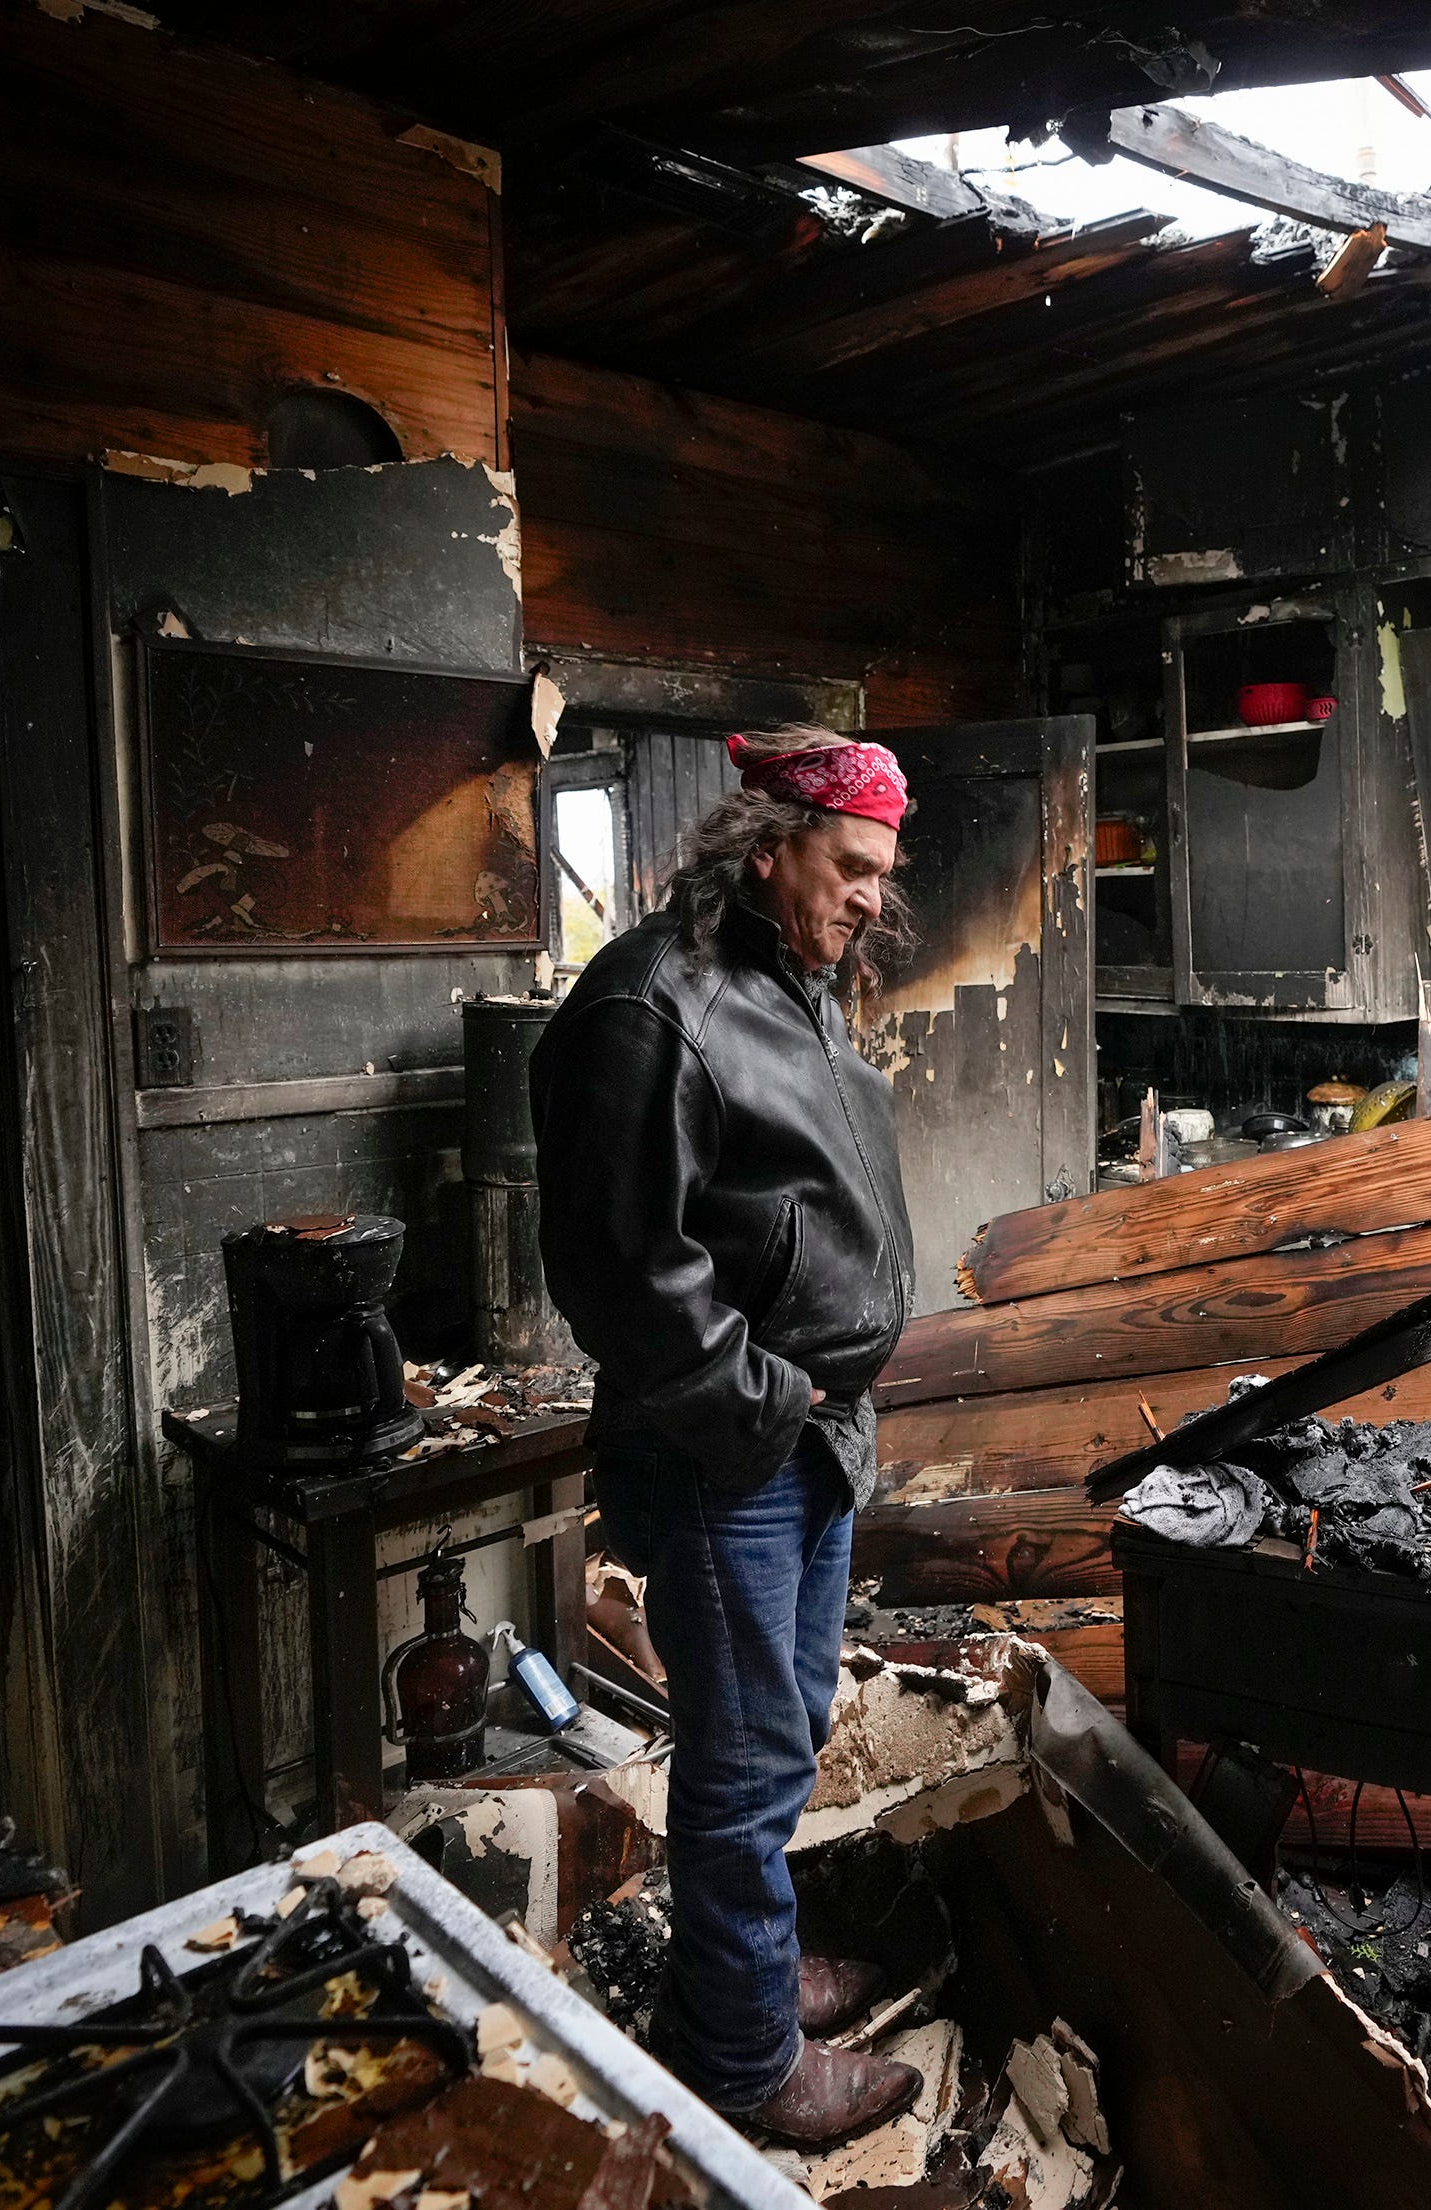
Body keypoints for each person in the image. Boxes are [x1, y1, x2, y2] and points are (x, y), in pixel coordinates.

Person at [532, 726, 920, 2143]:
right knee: (746, 1758)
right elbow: (618, 1267)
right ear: (770, 845)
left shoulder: (795, 982)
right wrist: (761, 1403)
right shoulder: (653, 1000)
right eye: (852, 865)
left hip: (808, 1442)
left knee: (778, 1734)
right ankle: (743, 2058)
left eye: (883, 870)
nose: (873, 895)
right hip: (725, 1452)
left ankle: (741, 1972)